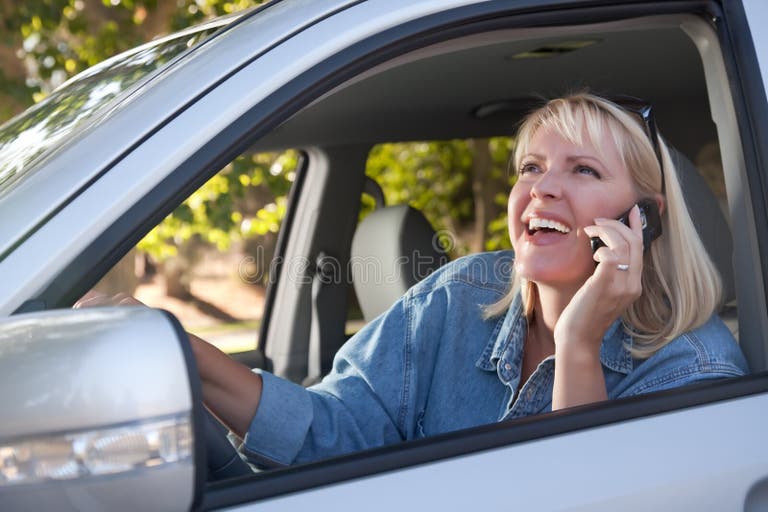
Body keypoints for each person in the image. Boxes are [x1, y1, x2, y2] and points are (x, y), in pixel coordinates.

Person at [76, 92, 748, 468]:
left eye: (582, 171)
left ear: (645, 220)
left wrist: (577, 342)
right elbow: (328, 432)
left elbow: (583, 491)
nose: (542, 191)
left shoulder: (699, 372)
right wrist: (177, 348)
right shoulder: (456, 297)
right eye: (529, 168)